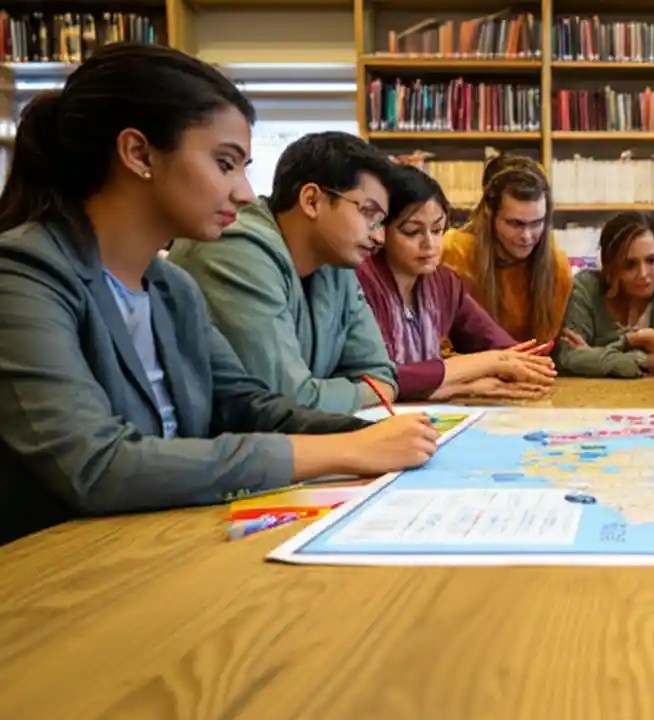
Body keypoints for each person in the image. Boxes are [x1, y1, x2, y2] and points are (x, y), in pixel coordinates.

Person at [0, 44, 438, 544]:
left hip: (158, 541)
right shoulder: (23, 274)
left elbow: (247, 405)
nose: (246, 193)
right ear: (139, 154)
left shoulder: (170, 288)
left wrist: (365, 434)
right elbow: (97, 465)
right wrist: (346, 452)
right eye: (226, 164)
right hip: (51, 573)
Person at [167, 132, 400, 414]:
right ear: (312, 200)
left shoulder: (337, 261)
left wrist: (325, 392)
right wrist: (359, 392)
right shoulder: (234, 247)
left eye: (380, 222)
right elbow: (286, 402)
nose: (378, 238)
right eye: (368, 214)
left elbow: (381, 376)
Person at [357, 163, 557, 400]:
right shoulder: (359, 282)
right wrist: (484, 366)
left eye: (438, 229)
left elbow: (498, 346)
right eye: (412, 231)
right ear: (380, 231)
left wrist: (528, 364)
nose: (430, 244)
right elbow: (376, 379)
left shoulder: (444, 283)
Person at [441, 155, 573, 345]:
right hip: (464, 371)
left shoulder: (557, 265)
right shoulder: (453, 251)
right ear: (489, 214)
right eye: (515, 224)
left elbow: (545, 345)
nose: (527, 236)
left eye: (536, 223)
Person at [557, 212, 654, 377]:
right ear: (609, 267)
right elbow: (568, 357)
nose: (643, 274)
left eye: (651, 261)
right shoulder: (585, 289)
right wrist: (635, 347)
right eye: (630, 265)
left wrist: (592, 356)